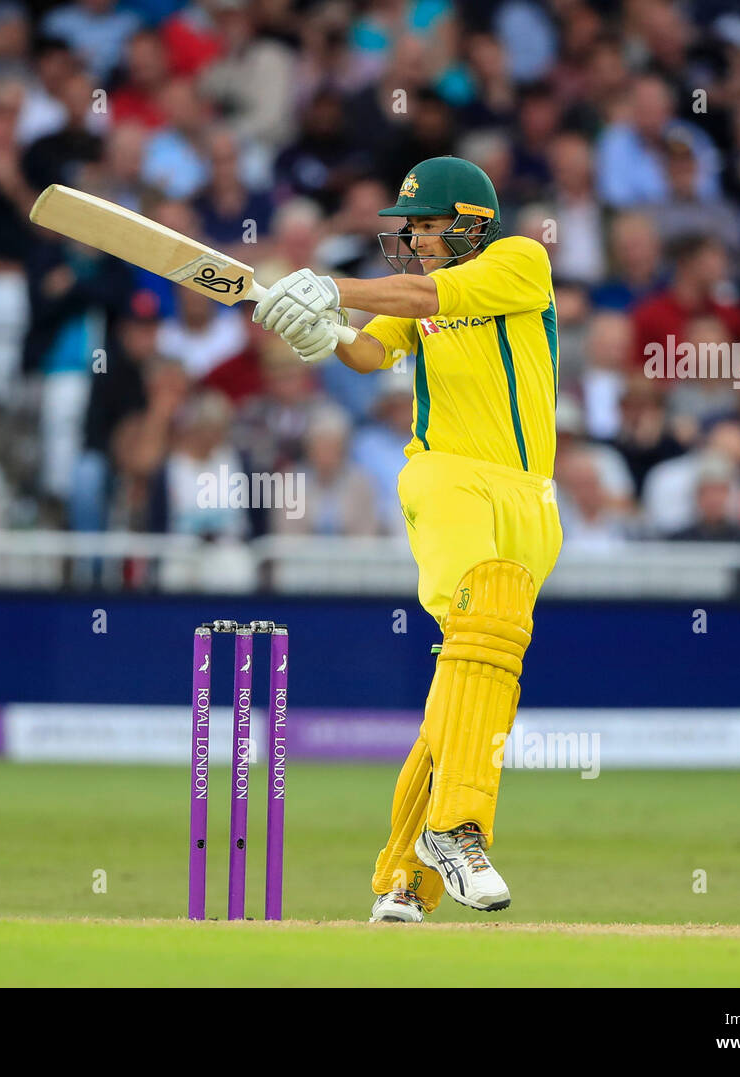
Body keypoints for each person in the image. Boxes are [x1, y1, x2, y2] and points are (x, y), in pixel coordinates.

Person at [251, 155, 563, 922]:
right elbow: (369, 350)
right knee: (482, 625)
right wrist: (320, 331)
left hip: (530, 497)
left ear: (472, 223)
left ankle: (404, 880)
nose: (416, 240)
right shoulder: (417, 299)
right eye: (410, 228)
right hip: (445, 477)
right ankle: (458, 832)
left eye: (427, 226)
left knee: (470, 671)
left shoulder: (521, 260)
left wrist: (330, 285)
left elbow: (428, 294)